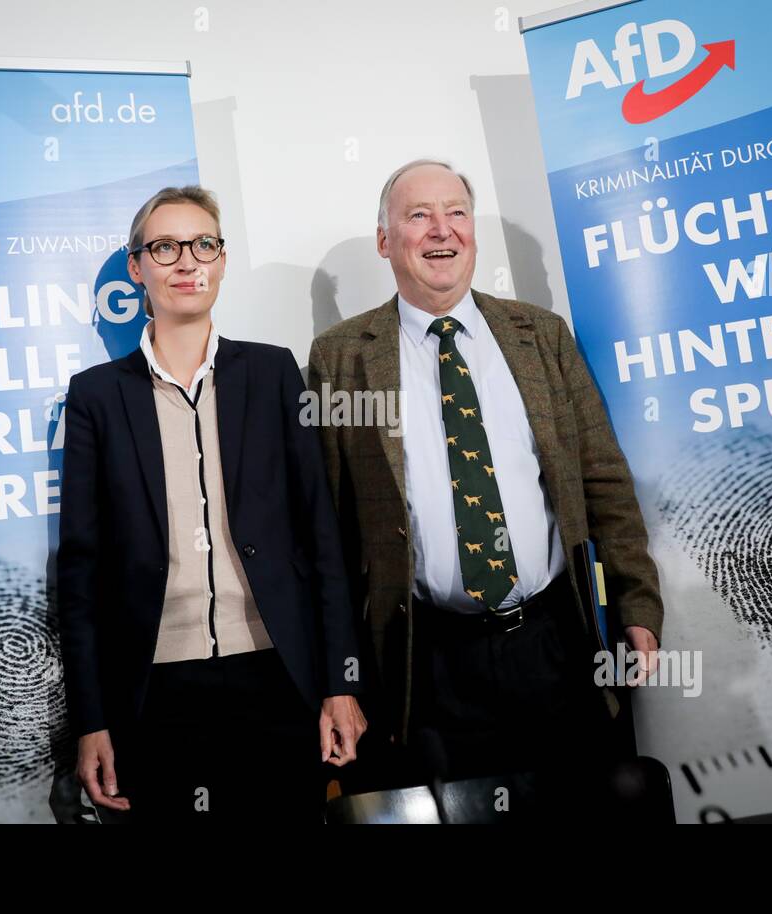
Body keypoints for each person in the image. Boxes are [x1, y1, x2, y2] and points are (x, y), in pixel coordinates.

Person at [306, 159, 663, 815]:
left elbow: (605, 485)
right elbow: (328, 533)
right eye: (418, 216)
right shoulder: (341, 357)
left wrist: (638, 607)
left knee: (587, 811)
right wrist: (343, 678)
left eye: (457, 213)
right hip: (431, 663)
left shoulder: (541, 335)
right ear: (385, 240)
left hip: (559, 642)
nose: (442, 231)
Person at [58, 186, 366, 823]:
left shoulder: (273, 373)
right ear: (136, 267)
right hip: (156, 691)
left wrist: (341, 681)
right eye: (164, 247)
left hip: (278, 677)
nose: (186, 261)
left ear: (221, 260)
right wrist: (91, 720)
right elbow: (81, 574)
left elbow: (321, 537)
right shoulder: (96, 397)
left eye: (203, 244)